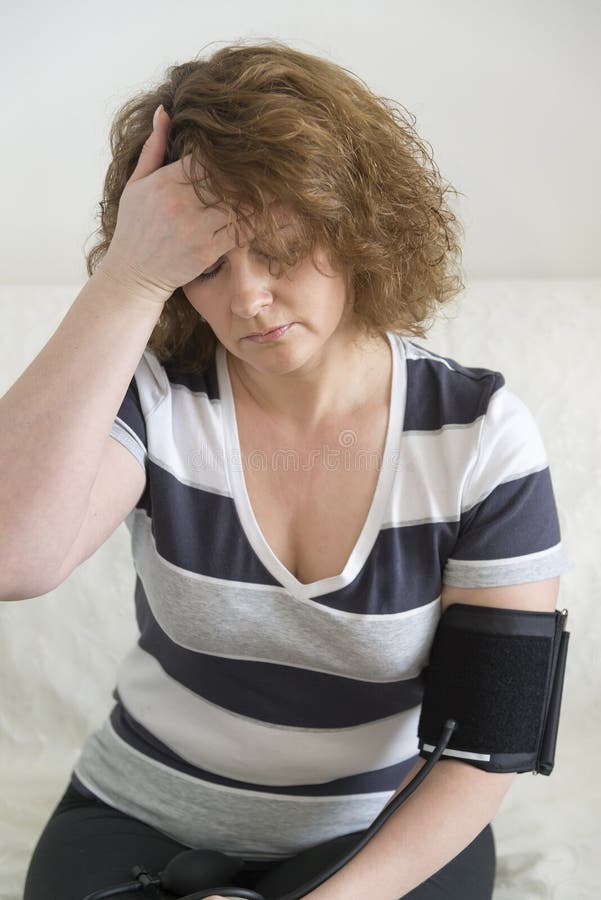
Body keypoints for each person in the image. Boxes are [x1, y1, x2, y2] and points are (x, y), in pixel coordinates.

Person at [2, 39, 567, 900]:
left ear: (354, 224)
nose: (247, 299)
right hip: (140, 813)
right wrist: (128, 277)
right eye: (206, 263)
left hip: (380, 834)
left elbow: (487, 742)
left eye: (280, 245)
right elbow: (14, 557)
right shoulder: (154, 399)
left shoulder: (479, 436)